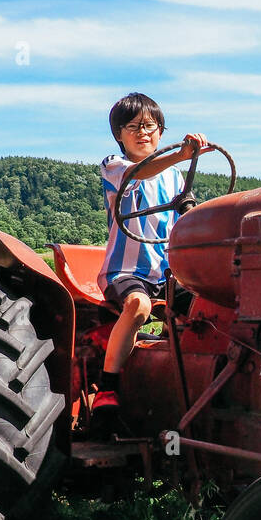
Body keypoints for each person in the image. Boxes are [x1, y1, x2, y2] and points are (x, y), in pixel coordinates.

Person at [96, 92, 206, 403]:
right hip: (125, 271)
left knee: (213, 309)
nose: (143, 132)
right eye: (133, 127)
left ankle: (182, 375)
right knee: (138, 306)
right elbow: (140, 172)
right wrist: (182, 154)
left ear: (160, 131)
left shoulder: (174, 176)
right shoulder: (114, 165)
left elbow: (186, 215)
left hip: (168, 275)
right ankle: (107, 388)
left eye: (150, 125)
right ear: (119, 135)